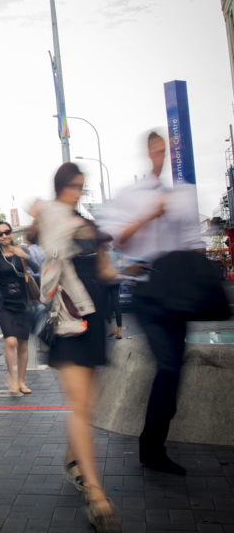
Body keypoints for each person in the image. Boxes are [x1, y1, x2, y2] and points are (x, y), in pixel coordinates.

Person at [98, 131, 204, 476]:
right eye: (157, 151)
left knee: (174, 371)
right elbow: (118, 239)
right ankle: (151, 448)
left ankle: (154, 446)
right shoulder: (133, 195)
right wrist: (150, 215)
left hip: (178, 292)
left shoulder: (184, 196)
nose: (162, 156)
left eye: (167, 151)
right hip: (147, 292)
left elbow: (193, 242)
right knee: (169, 366)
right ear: (148, 152)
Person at [37, 163, 121, 532]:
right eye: (73, 186)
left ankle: (74, 459)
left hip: (93, 319)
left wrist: (126, 270)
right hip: (70, 324)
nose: (78, 192)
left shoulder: (79, 217)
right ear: (60, 187)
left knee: (88, 407)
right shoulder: (57, 215)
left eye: (82, 187)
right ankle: (96, 493)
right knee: (80, 408)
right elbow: (52, 251)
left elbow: (102, 271)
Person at [0, 221, 38, 394]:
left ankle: (21, 381)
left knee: (23, 345)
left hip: (23, 305)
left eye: (7, 232)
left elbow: (38, 269)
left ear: (11, 233)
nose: (4, 236)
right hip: (4, 306)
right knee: (10, 342)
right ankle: (12, 378)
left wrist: (25, 256)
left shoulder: (22, 253)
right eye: (0, 234)